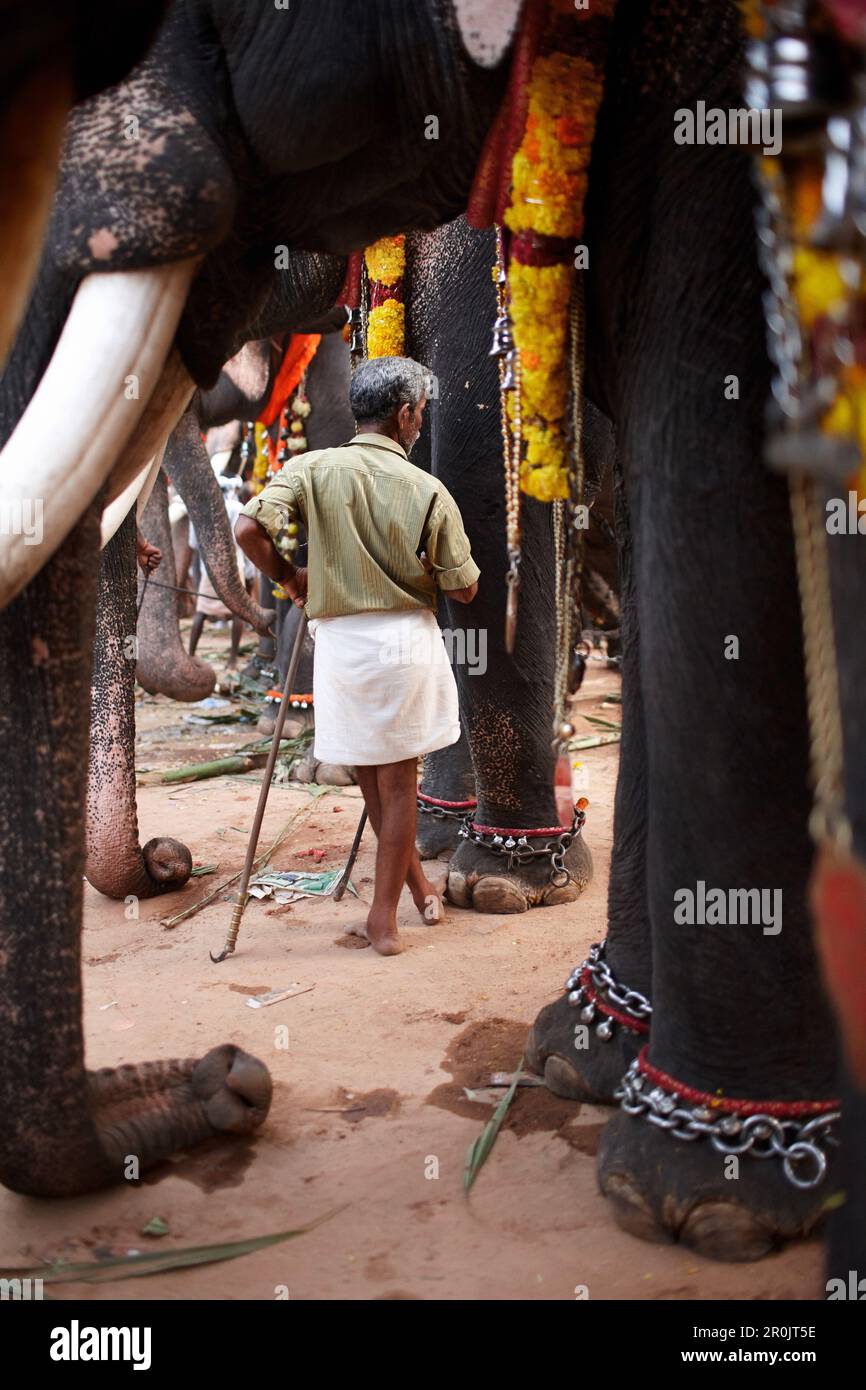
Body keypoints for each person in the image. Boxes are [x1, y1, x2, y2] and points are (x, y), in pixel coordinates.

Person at [235, 356, 479, 956]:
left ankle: (418, 890)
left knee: (375, 779)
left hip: (340, 645)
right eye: (420, 412)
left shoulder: (310, 467)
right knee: (399, 791)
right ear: (404, 415)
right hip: (401, 643)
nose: (420, 421)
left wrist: (291, 579)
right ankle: (382, 921)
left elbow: (247, 531)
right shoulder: (427, 489)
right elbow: (464, 588)